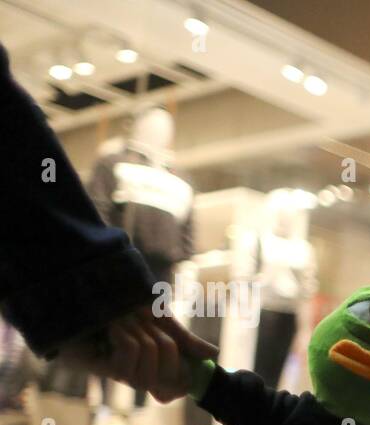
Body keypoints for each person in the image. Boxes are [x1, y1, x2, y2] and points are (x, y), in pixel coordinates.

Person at [0, 42, 215, 403]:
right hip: (119, 260)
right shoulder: (114, 160)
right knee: (128, 350)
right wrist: (91, 283)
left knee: (145, 354)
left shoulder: (182, 179)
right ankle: (97, 409)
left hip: (146, 276)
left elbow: (186, 242)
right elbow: (92, 206)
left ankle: (128, 412)